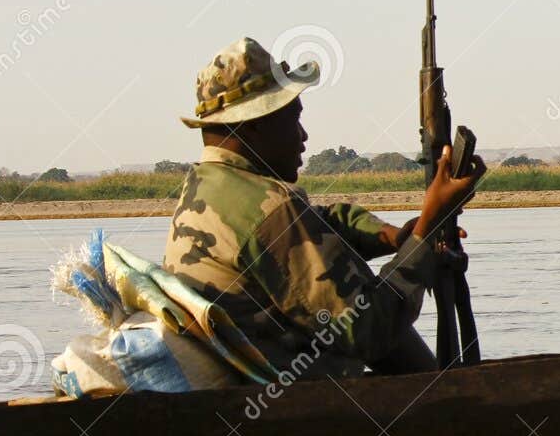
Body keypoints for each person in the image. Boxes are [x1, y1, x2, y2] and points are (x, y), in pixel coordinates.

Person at [164, 37, 485, 379]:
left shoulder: (207, 187)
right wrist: (426, 232)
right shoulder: (268, 210)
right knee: (383, 316)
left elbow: (318, 221)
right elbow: (369, 330)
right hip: (294, 402)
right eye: (293, 119)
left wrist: (395, 237)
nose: (303, 136)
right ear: (254, 125)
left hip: (261, 381)